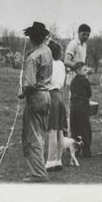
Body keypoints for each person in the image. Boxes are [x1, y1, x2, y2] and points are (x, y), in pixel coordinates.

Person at [18, 21, 53, 182]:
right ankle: (37, 170)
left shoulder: (34, 57)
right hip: (46, 96)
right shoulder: (47, 51)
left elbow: (31, 83)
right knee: (39, 134)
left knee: (32, 136)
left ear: (32, 38)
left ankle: (38, 173)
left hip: (36, 97)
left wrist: (23, 93)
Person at [45, 39, 68, 171]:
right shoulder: (61, 64)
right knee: (59, 130)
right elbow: (62, 82)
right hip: (59, 96)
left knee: (52, 130)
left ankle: (50, 161)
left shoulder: (49, 64)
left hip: (51, 95)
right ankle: (58, 160)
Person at [69, 62, 93, 158]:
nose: (86, 72)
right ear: (78, 71)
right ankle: (86, 151)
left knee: (75, 128)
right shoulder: (85, 81)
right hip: (82, 106)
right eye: (84, 70)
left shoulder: (73, 81)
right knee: (85, 128)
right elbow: (89, 93)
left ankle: (75, 150)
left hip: (73, 106)